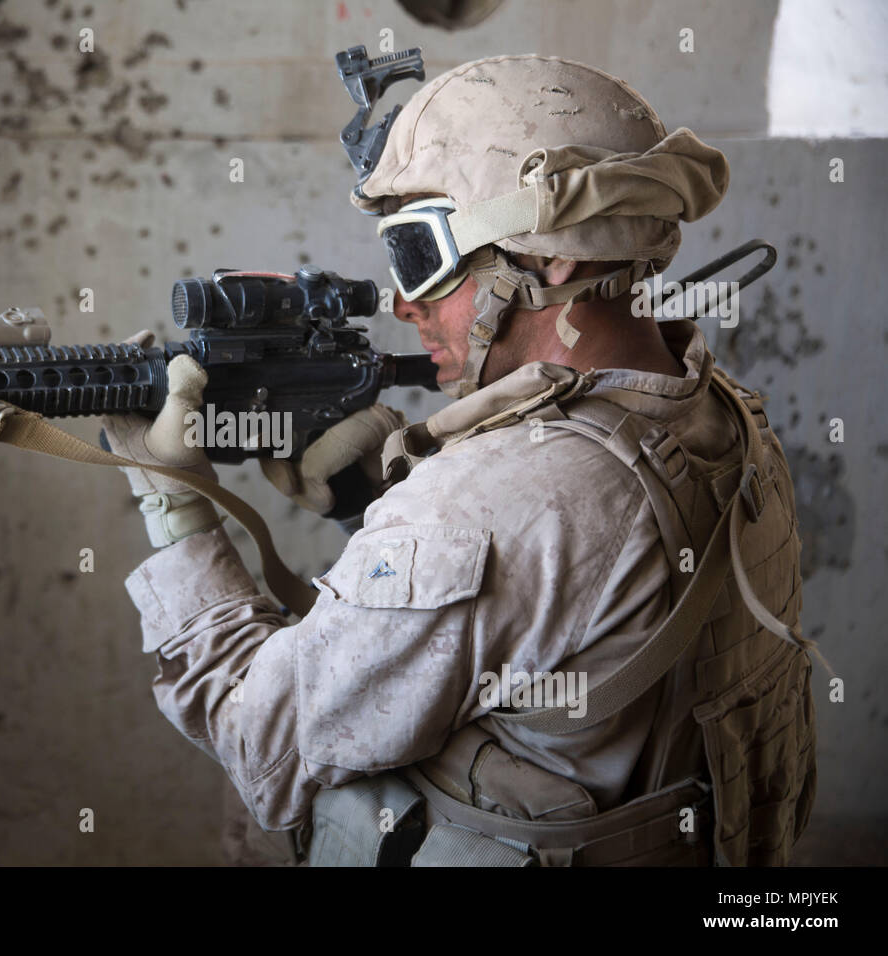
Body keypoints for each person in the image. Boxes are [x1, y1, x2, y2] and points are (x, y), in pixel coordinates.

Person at [100, 54, 818, 866]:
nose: (405, 304)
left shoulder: (482, 510)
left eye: (419, 255)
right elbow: (554, 608)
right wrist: (363, 504)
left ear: (550, 260)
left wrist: (179, 510)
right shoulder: (725, 415)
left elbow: (260, 742)